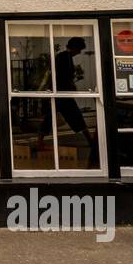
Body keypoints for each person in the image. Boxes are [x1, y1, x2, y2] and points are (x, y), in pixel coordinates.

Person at [51, 37, 99, 168]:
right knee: (75, 115)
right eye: (79, 49)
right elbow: (62, 75)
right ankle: (90, 141)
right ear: (75, 48)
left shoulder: (64, 56)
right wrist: (70, 84)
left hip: (63, 92)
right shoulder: (64, 57)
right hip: (62, 93)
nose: (79, 52)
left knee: (55, 116)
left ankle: (39, 140)